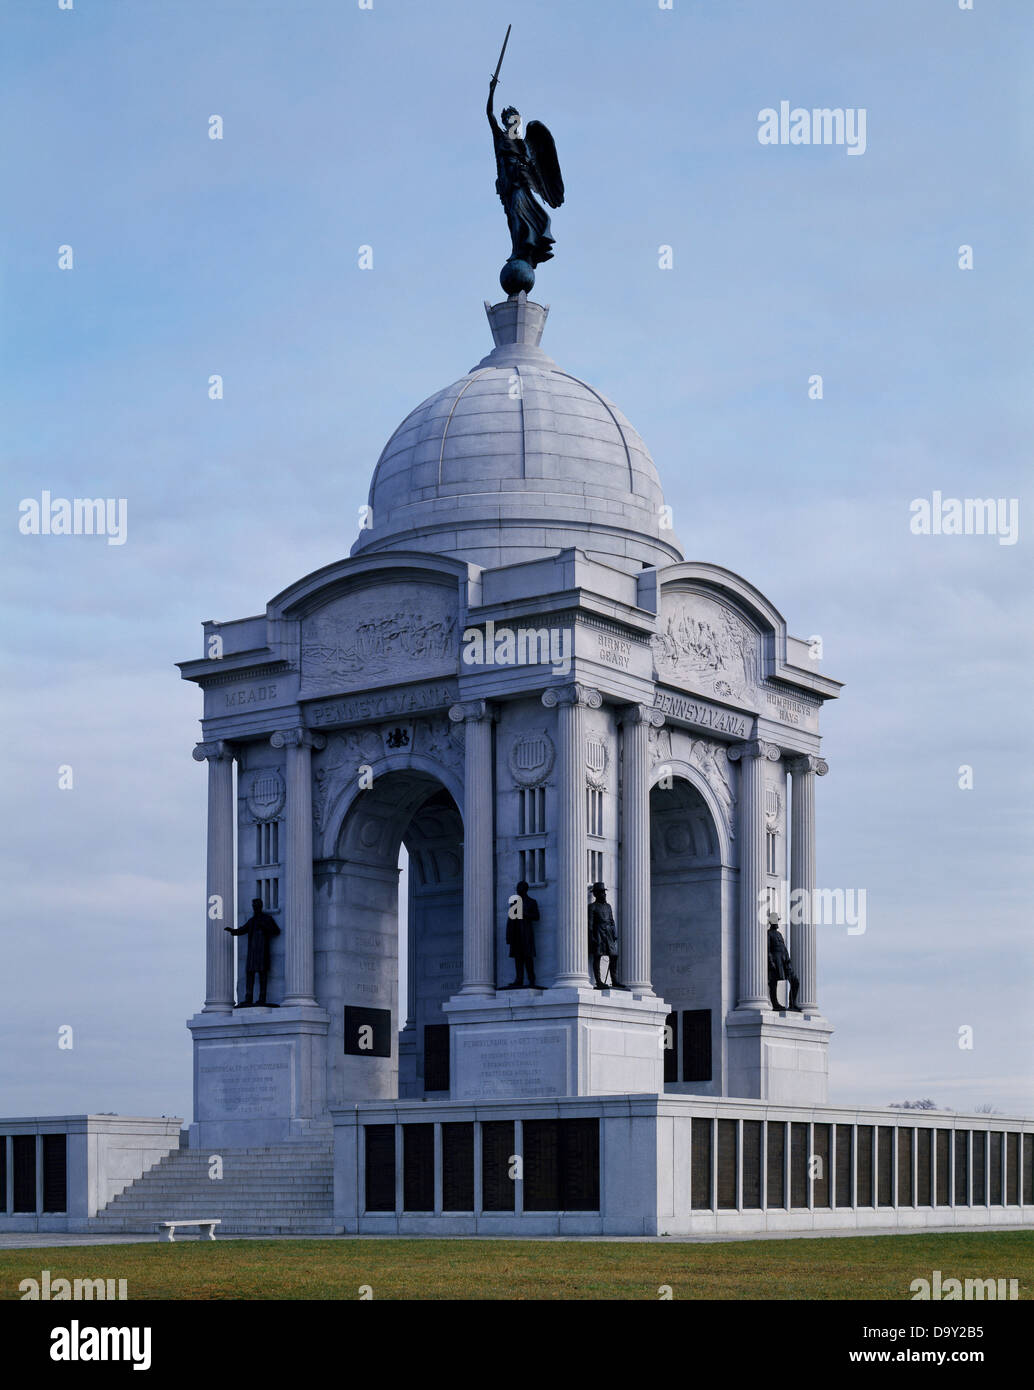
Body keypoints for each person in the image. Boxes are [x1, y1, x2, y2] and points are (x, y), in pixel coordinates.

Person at [226, 898, 281, 1007]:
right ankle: (248, 998)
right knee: (249, 975)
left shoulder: (266, 919)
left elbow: (276, 931)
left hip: (262, 952)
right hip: (252, 953)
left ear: (259, 906)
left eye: (256, 906)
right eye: (253, 906)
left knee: (262, 976)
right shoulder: (252, 920)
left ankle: (262, 998)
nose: (254, 908)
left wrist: (264, 926)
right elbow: (242, 930)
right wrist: (233, 931)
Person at [503, 880, 540, 988]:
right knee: (518, 958)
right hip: (516, 934)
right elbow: (510, 920)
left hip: (526, 934)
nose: (518, 890)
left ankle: (531, 979)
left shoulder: (532, 902)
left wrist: (525, 914)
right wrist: (508, 936)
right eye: (518, 888)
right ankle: (518, 979)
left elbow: (537, 916)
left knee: (528, 958)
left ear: (525, 889)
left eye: (520, 888)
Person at [588, 881, 623, 989]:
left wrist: (614, 934)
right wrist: (592, 937)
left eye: (604, 892)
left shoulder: (608, 906)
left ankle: (614, 980)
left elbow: (612, 921)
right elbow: (590, 923)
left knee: (614, 955)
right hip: (598, 932)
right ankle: (598, 981)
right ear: (596, 894)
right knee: (597, 956)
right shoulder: (592, 906)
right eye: (601, 893)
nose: (604, 894)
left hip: (608, 933)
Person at [767, 911, 801, 1012]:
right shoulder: (769, 934)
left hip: (784, 961)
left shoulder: (779, 934)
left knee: (795, 981)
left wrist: (788, 960)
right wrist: (771, 962)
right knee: (773, 982)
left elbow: (784, 948)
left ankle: (792, 1003)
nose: (777, 923)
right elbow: (768, 949)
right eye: (776, 921)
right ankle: (775, 1004)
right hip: (776, 961)